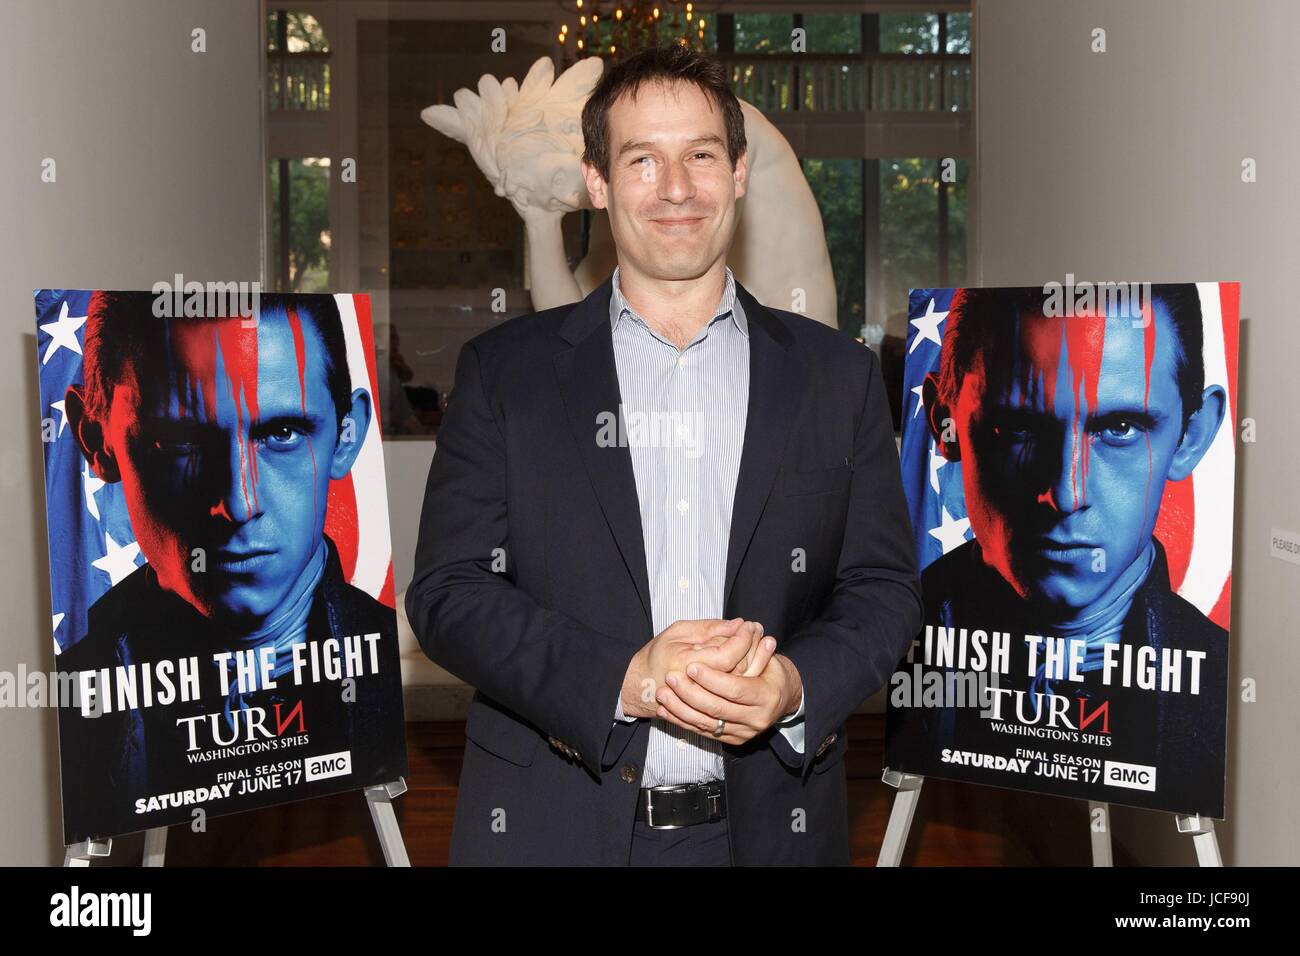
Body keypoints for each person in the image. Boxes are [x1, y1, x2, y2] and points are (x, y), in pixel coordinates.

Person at [406, 45, 922, 866]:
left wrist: (794, 686)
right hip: (554, 828)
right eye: (642, 159)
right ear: (599, 182)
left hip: (770, 834)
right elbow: (446, 592)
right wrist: (625, 678)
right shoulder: (507, 374)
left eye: (701, 156)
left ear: (740, 173)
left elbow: (883, 589)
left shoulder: (837, 379)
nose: (676, 188)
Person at [57, 292, 405, 842]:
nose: (238, 503)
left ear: (347, 434)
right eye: (180, 440)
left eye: (281, 434)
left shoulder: (382, 669)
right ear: (96, 440)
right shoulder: (71, 695)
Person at [887, 285, 1229, 815]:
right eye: (1018, 427)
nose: (1066, 494)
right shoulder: (892, 638)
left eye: (1119, 427)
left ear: (1191, 435)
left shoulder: (1212, 685)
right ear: (943, 420)